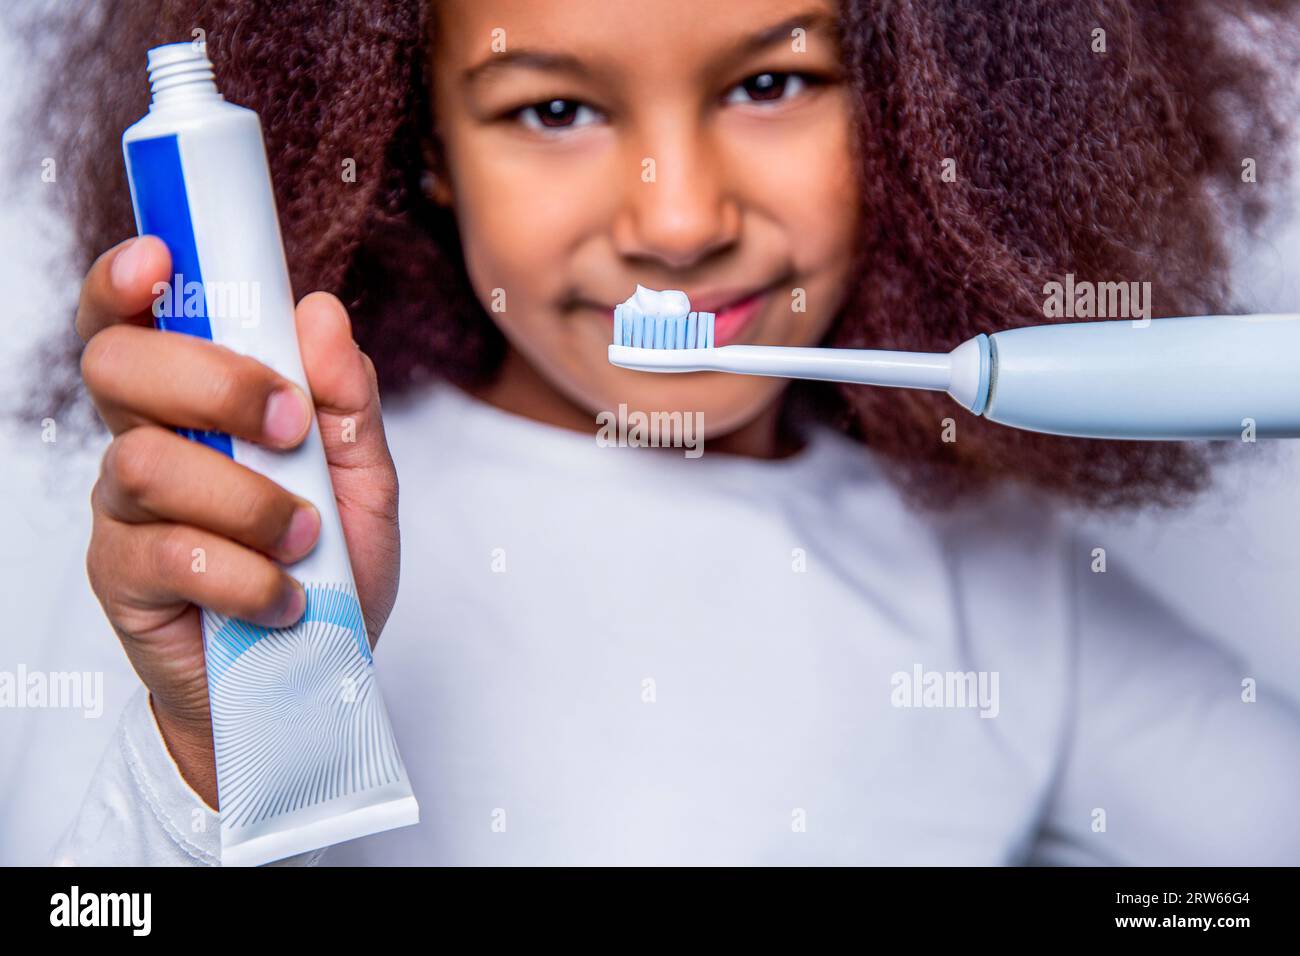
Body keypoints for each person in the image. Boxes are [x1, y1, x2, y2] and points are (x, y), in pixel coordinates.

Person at [20, 0, 1300, 864]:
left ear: (927, 118)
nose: (678, 220)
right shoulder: (236, 529)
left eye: (770, 81)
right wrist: (215, 739)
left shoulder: (1002, 570)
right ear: (423, 146)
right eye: (554, 110)